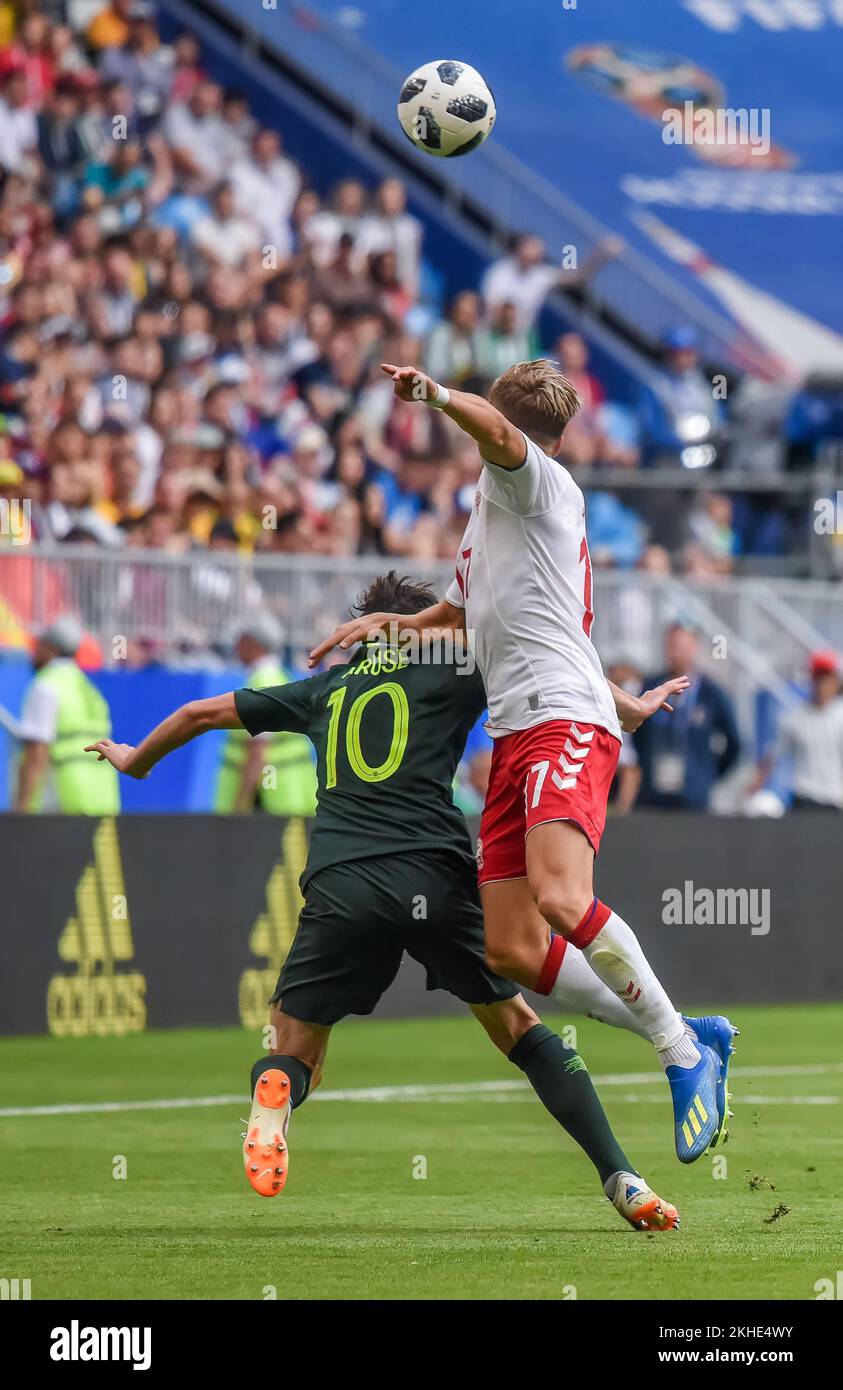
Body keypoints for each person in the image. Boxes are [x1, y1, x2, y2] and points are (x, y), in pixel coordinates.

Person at [86, 573, 680, 1232]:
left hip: (340, 881)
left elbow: (201, 714)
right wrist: (630, 709)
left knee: (296, 1041)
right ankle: (620, 1175)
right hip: (434, 874)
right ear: (418, 628)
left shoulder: (323, 689)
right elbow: (552, 666)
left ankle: (274, 1100)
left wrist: (136, 761)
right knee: (517, 1027)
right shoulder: (453, 672)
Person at [311, 360, 737, 1163]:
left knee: (559, 896)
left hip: (558, 722)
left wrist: (435, 395)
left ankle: (682, 1056)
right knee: (506, 945)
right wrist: (389, 628)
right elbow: (468, 615)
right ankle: (686, 1028)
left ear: (500, 423)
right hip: (520, 731)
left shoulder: (533, 479)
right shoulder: (493, 513)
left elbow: (500, 435)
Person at [0, 616, 119, 814]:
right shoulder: (88, 688)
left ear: (51, 648)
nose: (33, 653)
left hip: (63, 799)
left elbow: (37, 753)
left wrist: (21, 808)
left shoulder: (46, 686)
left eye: (38, 646)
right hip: (102, 797)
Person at [214, 613, 317, 817]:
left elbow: (258, 751)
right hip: (289, 793)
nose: (237, 646)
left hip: (270, 799)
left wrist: (240, 803)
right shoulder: (279, 675)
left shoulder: (262, 681)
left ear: (252, 643)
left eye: (241, 640)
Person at [634, 621, 741, 812]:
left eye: (681, 646)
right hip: (653, 796)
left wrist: (706, 774)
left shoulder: (712, 693)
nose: (675, 652)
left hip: (693, 800)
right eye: (671, 646)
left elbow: (735, 744)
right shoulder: (651, 687)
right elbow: (637, 731)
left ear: (694, 647)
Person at [753, 649, 843, 812]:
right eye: (818, 678)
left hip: (835, 800)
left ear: (836, 681)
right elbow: (774, 754)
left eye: (826, 678)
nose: (822, 684)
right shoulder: (795, 717)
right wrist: (757, 782)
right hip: (804, 798)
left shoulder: (840, 716)